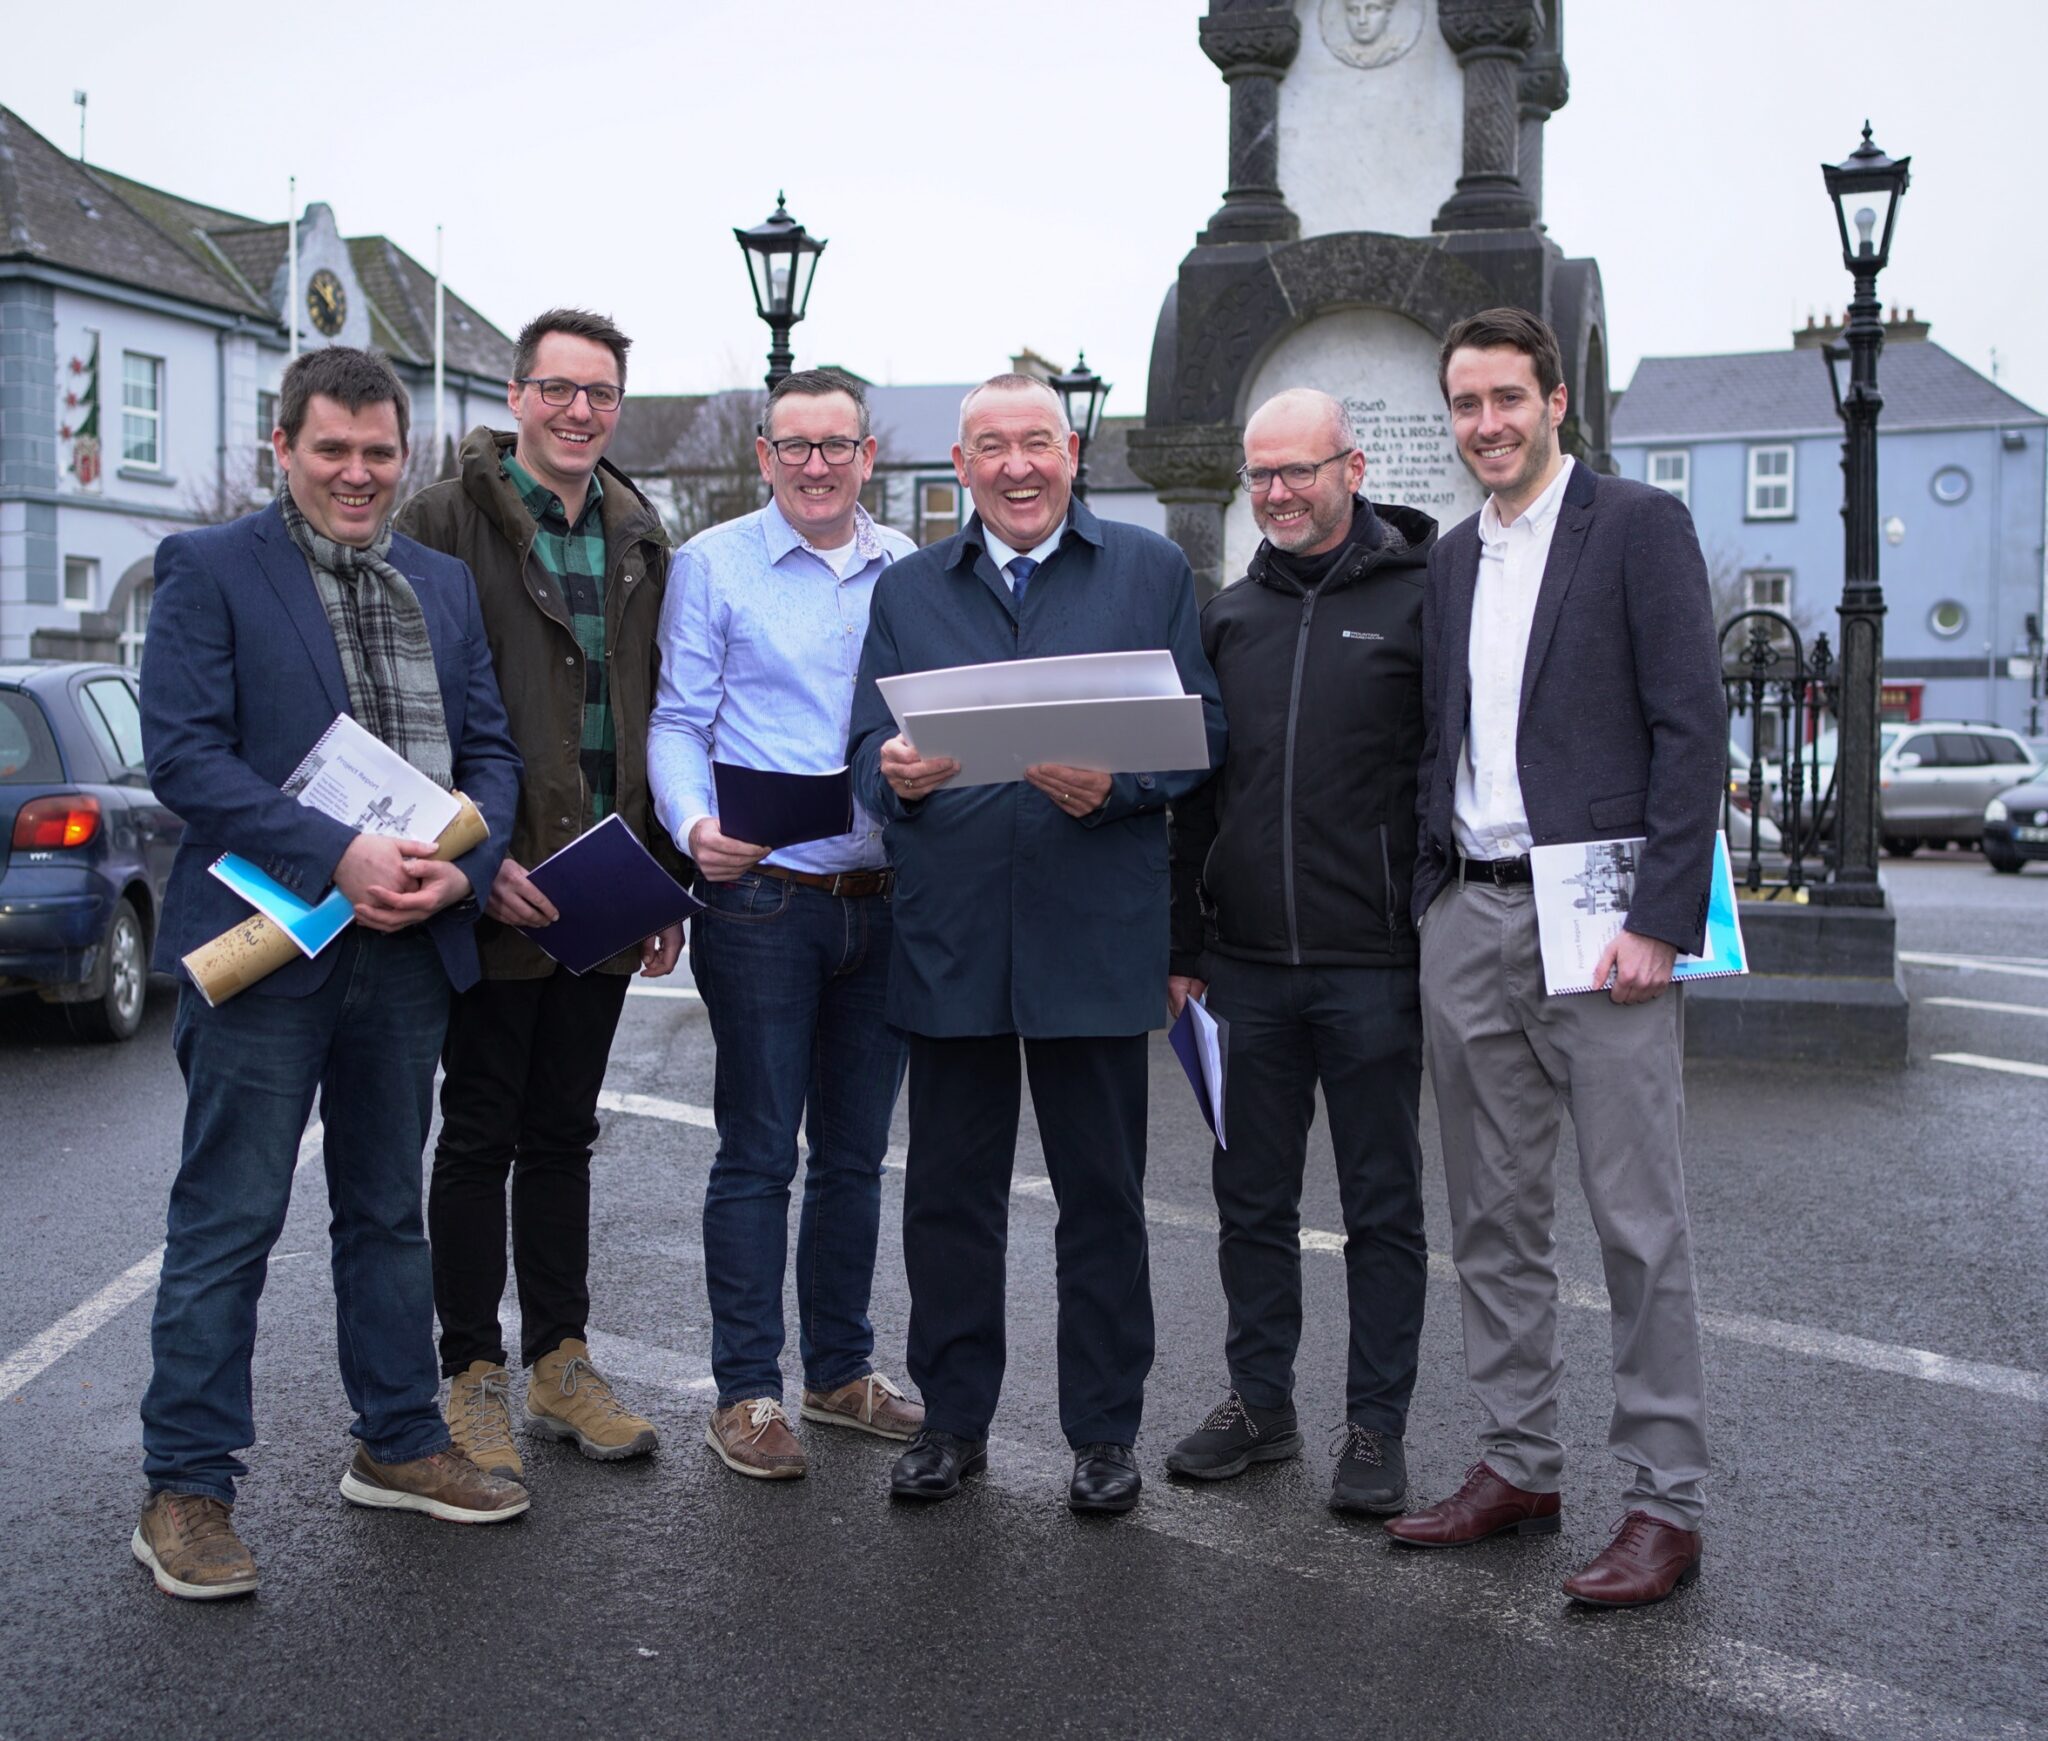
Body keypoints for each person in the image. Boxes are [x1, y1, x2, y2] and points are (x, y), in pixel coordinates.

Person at [134, 346, 527, 1600]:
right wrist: (341, 853)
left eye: (378, 453)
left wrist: (465, 867)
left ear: (403, 454)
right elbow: (185, 759)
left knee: (383, 1215)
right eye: (332, 451)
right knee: (228, 1223)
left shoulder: (444, 584)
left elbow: (493, 752)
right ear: (283, 447)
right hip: (269, 950)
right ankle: (186, 1489)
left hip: (408, 952)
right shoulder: (209, 568)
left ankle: (398, 1441)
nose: (357, 474)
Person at [1387, 309, 1724, 1609]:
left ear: (1557, 399)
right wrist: (1430, 898)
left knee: (1638, 1218)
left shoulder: (1637, 527)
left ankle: (1665, 1502)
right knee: (1491, 1217)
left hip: (1604, 917)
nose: (1486, 424)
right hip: (1468, 915)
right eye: (1466, 403)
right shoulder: (1452, 557)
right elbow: (1442, 741)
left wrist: (1659, 915)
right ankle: (1520, 1465)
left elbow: (1690, 728)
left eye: (1507, 399)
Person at [847, 374, 1226, 1514]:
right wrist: (891, 773)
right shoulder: (909, 588)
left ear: (1073, 453)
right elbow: (868, 737)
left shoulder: (1149, 570)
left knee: (1100, 1195)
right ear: (959, 467)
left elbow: (1202, 729)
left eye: (1037, 444)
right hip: (952, 935)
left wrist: (1122, 784)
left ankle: (1103, 1431)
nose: (1017, 466)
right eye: (990, 448)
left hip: (1093, 932)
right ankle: (951, 1422)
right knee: (948, 1196)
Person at [394, 309, 682, 1483]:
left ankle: (560, 1359)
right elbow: (410, 707)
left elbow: (659, 709)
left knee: (565, 1130)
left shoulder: (637, 529)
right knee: (478, 1132)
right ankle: (472, 1374)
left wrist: (655, 872)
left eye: (600, 393)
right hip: (491, 876)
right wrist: (471, 861)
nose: (578, 411)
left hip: (601, 884)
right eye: (557, 389)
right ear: (516, 394)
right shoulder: (441, 520)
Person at [648, 368, 924, 1480]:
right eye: (794, 446)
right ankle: (745, 1392)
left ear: (868, 454)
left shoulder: (910, 569)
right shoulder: (711, 565)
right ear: (761, 455)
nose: (816, 465)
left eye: (836, 445)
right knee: (760, 1151)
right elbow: (678, 717)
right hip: (761, 898)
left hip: (886, 900)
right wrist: (691, 821)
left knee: (856, 1155)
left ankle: (842, 1373)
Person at [1163, 388, 1435, 1515]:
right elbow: (1192, 794)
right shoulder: (1226, 618)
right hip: (1244, 971)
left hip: (1375, 964)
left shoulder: (1426, 603)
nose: (1275, 493)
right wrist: (1184, 946)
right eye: (1258, 475)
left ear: (1351, 467)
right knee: (1250, 1199)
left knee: (1381, 1208)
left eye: (1298, 471)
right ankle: (1259, 1402)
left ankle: (1374, 1426)